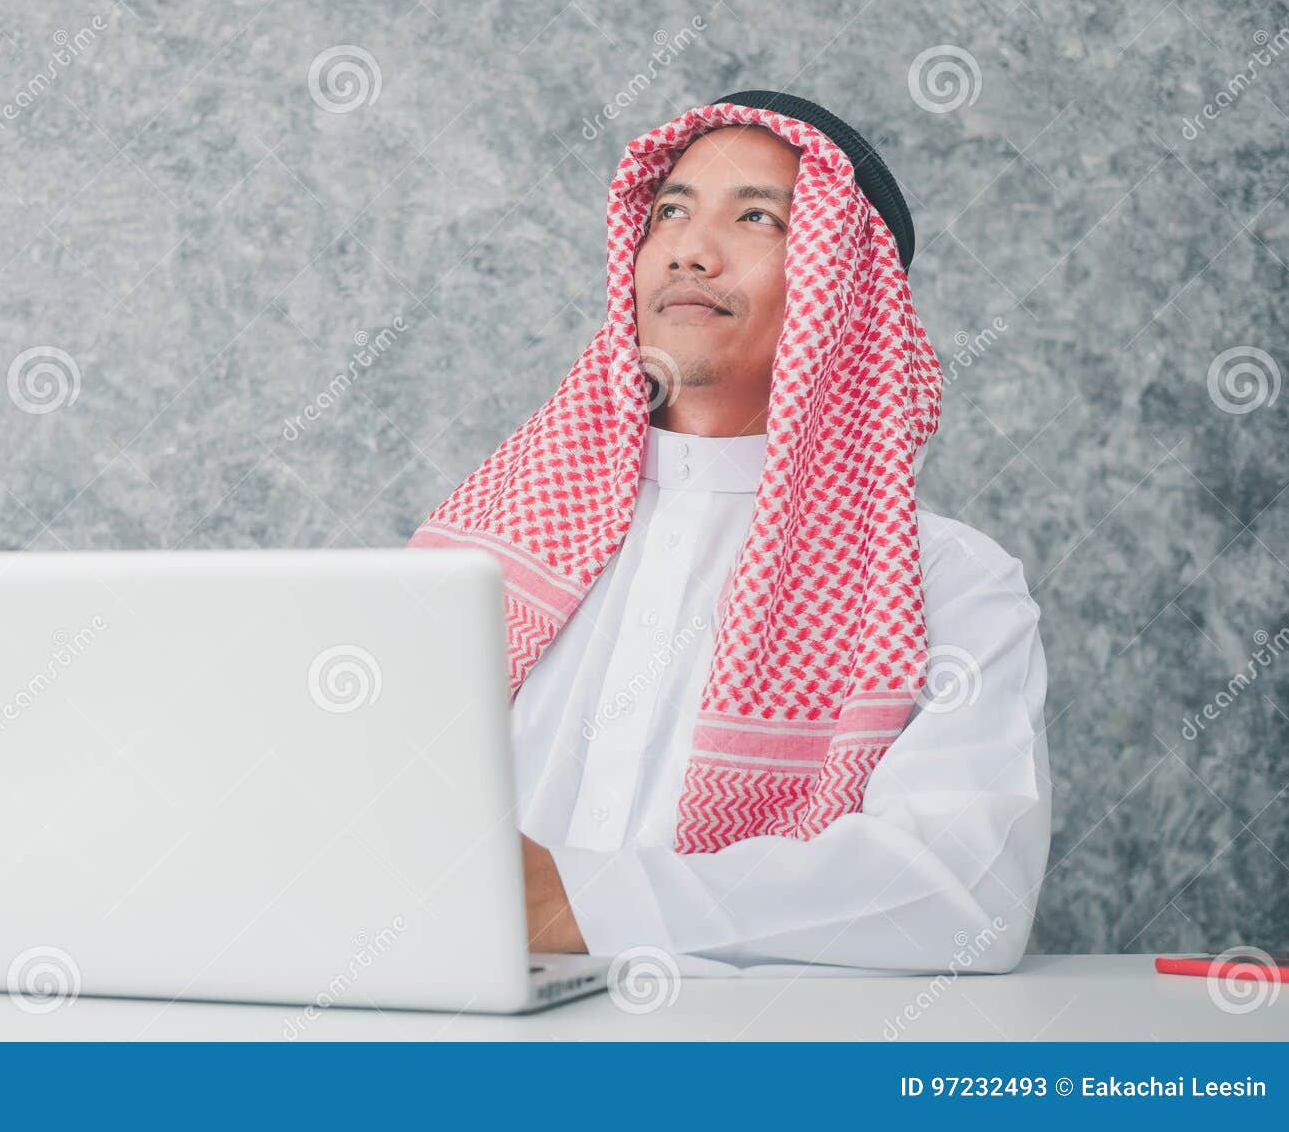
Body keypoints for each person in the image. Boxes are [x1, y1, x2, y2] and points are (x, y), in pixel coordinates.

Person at [407, 91, 1051, 975]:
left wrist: (577, 901)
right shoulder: (490, 548)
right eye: (670, 209)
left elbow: (959, 892)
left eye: (757, 217)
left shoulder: (948, 584)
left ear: (845, 287)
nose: (688, 249)